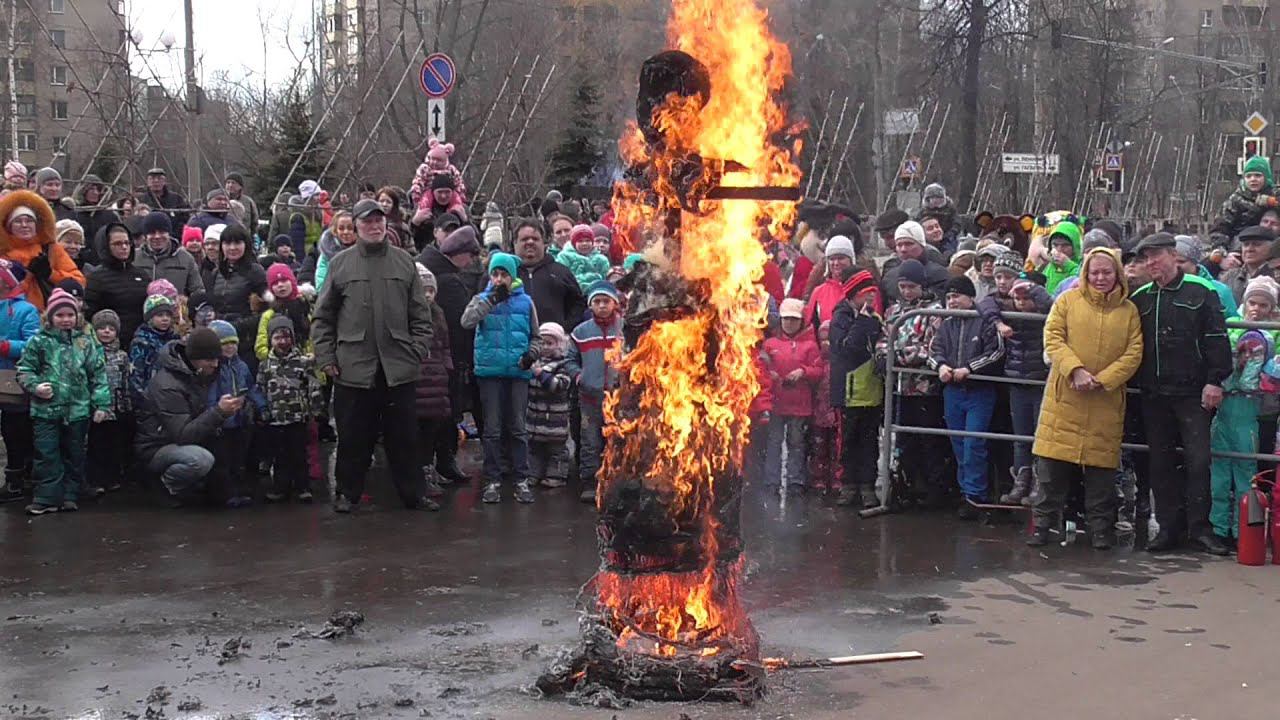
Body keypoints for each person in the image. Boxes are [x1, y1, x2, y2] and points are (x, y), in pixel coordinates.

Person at [311, 198, 434, 513]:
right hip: (353, 366)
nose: (374, 226)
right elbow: (323, 317)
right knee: (353, 437)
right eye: (367, 221)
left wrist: (417, 350)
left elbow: (421, 315)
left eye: (379, 221)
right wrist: (326, 358)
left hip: (398, 367)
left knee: (404, 437)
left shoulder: (405, 262)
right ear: (356, 226)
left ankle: (413, 494)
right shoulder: (340, 264)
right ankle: (346, 494)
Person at [1029, 248, 1143, 548]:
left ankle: (1101, 531)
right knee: (1051, 471)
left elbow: (1134, 353)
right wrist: (1075, 370)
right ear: (1085, 274)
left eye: (1107, 272)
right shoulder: (1067, 301)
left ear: (1117, 274)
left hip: (1104, 400)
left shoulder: (1128, 311)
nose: (1101, 278)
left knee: (1101, 476)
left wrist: (1103, 380)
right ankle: (1041, 526)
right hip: (1065, 396)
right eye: (1095, 272)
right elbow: (1053, 337)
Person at [1130, 232, 1233, 555]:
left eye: (1156, 257)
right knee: (1160, 463)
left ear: (1174, 256)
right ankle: (1168, 528)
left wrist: (1215, 380)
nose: (1151, 264)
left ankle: (1200, 528)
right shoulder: (1142, 297)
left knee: (1198, 460)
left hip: (1193, 391)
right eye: (1145, 259)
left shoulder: (1202, 291)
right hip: (1154, 392)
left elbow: (1217, 337)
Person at [16, 288, 110, 515]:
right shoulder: (39, 342)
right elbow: (24, 369)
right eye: (60, 315)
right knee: (47, 454)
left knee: (74, 453)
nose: (66, 320)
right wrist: (35, 386)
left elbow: (98, 374)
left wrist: (102, 404)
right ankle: (47, 497)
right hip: (46, 411)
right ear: (50, 317)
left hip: (78, 410)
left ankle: (69, 495)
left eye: (70, 315)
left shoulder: (86, 342)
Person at [462, 251, 540, 504]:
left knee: (517, 428)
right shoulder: (482, 298)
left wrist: (531, 355)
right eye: (494, 274)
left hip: (517, 372)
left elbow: (536, 337)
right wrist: (490, 300)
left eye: (503, 274)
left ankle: (520, 478)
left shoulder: (526, 302)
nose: (498, 279)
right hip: (490, 372)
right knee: (492, 429)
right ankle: (492, 479)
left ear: (512, 276)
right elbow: (467, 321)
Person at [1209, 276, 1280, 543]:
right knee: (1219, 474)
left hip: (1251, 413)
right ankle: (1218, 529)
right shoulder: (1231, 330)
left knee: (1246, 476)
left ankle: (1245, 533)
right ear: (1244, 302)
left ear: (1271, 308)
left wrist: (1265, 367)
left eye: (1264, 304)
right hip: (1225, 410)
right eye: (1252, 302)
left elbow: (1272, 374)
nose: (1257, 309)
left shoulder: (1272, 334)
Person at [976, 252, 1051, 504]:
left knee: (1041, 435)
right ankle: (1021, 480)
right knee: (1020, 436)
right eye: (998, 276)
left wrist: (1031, 287)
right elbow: (985, 305)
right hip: (1016, 378)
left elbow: (1051, 305)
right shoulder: (1001, 304)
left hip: (1039, 379)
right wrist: (998, 323)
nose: (1002, 282)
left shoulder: (1039, 306)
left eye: (1007, 276)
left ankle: (1040, 483)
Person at [134, 327, 240, 504]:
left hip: (174, 439)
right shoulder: (168, 385)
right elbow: (184, 434)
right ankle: (165, 486)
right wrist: (219, 412)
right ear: (194, 358)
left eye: (216, 358)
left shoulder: (195, 374)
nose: (215, 364)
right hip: (156, 446)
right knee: (200, 460)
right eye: (209, 359)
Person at [929, 275, 1004, 517]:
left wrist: (970, 368)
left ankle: (975, 495)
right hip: (952, 391)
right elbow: (933, 349)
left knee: (974, 443)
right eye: (949, 297)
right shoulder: (946, 324)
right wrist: (940, 366)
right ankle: (965, 492)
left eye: (957, 296)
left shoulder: (984, 321)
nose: (952, 301)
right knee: (959, 444)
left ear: (970, 297)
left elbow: (996, 351)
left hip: (979, 390)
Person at [876, 259, 949, 507]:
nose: (906, 292)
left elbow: (931, 346)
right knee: (903, 440)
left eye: (911, 287)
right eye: (903, 287)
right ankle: (905, 487)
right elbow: (884, 339)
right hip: (900, 387)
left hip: (925, 388)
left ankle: (934, 490)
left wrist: (902, 355)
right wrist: (887, 355)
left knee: (929, 441)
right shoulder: (893, 311)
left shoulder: (934, 311)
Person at [417, 224, 481, 482]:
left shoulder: (430, 267)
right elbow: (460, 325)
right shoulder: (448, 281)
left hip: (435, 359)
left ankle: (439, 463)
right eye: (470, 255)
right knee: (444, 413)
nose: (472, 262)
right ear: (460, 253)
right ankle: (441, 462)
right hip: (445, 360)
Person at [827, 269, 885, 508]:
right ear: (852, 294)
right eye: (864, 293)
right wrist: (861, 322)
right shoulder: (841, 317)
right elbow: (848, 347)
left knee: (869, 441)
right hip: (849, 392)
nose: (870, 298)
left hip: (871, 391)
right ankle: (849, 485)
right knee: (848, 442)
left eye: (872, 292)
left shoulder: (874, 317)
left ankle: (868, 486)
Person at [567, 280, 622, 503]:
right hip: (590, 397)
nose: (601, 306)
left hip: (619, 397)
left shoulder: (624, 328)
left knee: (617, 440)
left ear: (615, 304)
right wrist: (579, 377)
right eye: (597, 302)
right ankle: (590, 482)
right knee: (590, 441)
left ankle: (615, 482)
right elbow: (569, 359)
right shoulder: (581, 332)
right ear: (590, 305)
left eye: (606, 301)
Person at [256, 315, 321, 503]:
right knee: (280, 456)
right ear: (270, 340)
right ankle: (280, 488)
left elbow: (313, 385)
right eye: (277, 337)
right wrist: (262, 411)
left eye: (286, 337)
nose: (282, 341)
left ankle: (303, 487)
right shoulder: (265, 365)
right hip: (275, 418)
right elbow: (259, 388)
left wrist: (316, 409)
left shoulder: (302, 361)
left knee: (299, 454)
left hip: (298, 418)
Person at [763, 298, 821, 495]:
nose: (790, 323)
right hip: (777, 404)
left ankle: (795, 481)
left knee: (796, 444)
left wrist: (803, 372)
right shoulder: (770, 344)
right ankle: (772, 481)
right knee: (774, 443)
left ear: (801, 322)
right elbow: (762, 367)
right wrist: (770, 373)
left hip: (799, 405)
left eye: (794, 320)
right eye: (786, 319)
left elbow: (818, 370)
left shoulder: (810, 346)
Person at [0, 190, 86, 310]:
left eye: (29, 220)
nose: (24, 225)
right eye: (18, 221)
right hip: (12, 316)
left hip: (50, 317)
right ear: (8, 227)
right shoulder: (3, 255)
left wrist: (50, 274)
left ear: (37, 225)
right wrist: (27, 276)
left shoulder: (50, 249)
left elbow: (79, 281)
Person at [411, 264, 454, 497]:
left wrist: (446, 367)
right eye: (423, 290)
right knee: (418, 430)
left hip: (437, 380)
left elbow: (445, 345)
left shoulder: (438, 314)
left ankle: (430, 467)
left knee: (433, 427)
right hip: (418, 380)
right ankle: (421, 471)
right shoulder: (409, 315)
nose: (427, 295)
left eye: (431, 290)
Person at [0, 259, 39, 503]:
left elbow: (34, 345)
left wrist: (6, 346)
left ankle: (18, 478)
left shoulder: (27, 310)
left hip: (14, 380)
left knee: (16, 430)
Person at [87, 309, 134, 495]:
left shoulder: (122, 355)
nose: (106, 331)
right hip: (95, 407)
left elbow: (125, 382)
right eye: (102, 328)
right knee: (95, 444)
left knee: (113, 444)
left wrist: (127, 406)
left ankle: (112, 477)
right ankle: (95, 479)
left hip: (116, 407)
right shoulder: (89, 352)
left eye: (111, 328)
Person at [205, 224, 267, 360]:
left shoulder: (256, 272)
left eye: (237, 243)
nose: (232, 248)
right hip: (220, 340)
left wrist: (238, 325)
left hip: (246, 342)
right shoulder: (217, 273)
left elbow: (267, 312)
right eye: (227, 243)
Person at [513, 220, 587, 330]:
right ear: (515, 243)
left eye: (535, 239)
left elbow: (578, 305)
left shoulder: (561, 272)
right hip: (514, 342)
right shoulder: (505, 274)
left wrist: (564, 329)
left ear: (544, 243)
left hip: (552, 343)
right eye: (524, 239)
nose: (530, 242)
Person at [526, 322, 574, 489]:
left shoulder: (562, 364)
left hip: (555, 418)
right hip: (534, 418)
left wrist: (541, 375)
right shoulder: (534, 362)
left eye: (550, 343)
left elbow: (559, 385)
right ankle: (532, 474)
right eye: (542, 342)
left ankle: (556, 476)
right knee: (534, 451)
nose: (545, 347)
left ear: (559, 344)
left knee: (556, 451)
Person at [133, 211, 203, 296]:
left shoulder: (185, 258)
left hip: (175, 308)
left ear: (169, 233)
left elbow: (198, 291)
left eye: (162, 232)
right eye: (152, 233)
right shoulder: (134, 258)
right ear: (145, 235)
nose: (157, 236)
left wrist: (186, 302)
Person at [1210, 155, 1276, 244]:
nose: (1253, 179)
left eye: (1258, 175)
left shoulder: (1275, 195)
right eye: (1248, 176)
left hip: (1272, 245)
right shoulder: (1235, 200)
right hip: (1242, 244)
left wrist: (1274, 203)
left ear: (1266, 177)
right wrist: (1219, 249)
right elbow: (1220, 227)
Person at [807, 321, 840, 495]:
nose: (826, 343)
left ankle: (836, 478)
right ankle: (818, 478)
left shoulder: (840, 360)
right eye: (823, 339)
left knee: (836, 447)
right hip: (819, 411)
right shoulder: (817, 359)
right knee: (818, 447)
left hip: (835, 412)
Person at [879, 221, 950, 302]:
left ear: (921, 245)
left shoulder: (939, 274)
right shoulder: (889, 277)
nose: (903, 249)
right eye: (899, 245)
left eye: (909, 244)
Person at [128, 294, 180, 405]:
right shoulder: (141, 342)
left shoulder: (175, 340)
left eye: (168, 315)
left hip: (172, 396)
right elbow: (136, 375)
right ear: (150, 318)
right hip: (150, 400)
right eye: (160, 315)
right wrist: (144, 399)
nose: (165, 319)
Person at [254, 263, 310, 361]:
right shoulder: (269, 314)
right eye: (275, 283)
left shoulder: (307, 306)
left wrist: (314, 354)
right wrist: (274, 357)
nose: (280, 285)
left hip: (308, 361)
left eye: (284, 280)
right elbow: (260, 346)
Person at [1173, 235, 1237, 318]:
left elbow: (1233, 323)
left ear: (1195, 262)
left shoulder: (1219, 291)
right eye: (1172, 261)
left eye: (1181, 261)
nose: (1175, 266)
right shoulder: (1160, 287)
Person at [802, 235, 857, 329]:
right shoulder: (818, 292)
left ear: (851, 260)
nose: (836, 263)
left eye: (841, 258)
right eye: (832, 259)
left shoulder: (864, 288)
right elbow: (809, 327)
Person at [1220, 225, 1277, 304]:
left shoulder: (1276, 277)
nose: (1249, 249)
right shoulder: (1230, 276)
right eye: (1246, 245)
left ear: (1270, 248)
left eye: (1257, 244)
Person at [71, 174, 120, 263]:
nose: (96, 192)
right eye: (92, 189)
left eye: (98, 189)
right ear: (83, 190)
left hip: (105, 262)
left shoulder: (110, 215)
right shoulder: (75, 214)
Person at [557, 224, 611, 290]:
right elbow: (563, 279)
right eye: (580, 241)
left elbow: (605, 279)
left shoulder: (601, 260)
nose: (584, 243)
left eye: (588, 240)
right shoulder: (564, 257)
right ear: (574, 243)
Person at [314, 210, 357, 291]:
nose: (346, 232)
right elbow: (321, 285)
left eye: (350, 228)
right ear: (335, 231)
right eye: (341, 228)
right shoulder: (326, 256)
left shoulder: (363, 252)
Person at [1042, 222, 1081, 295]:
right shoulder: (1046, 266)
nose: (1059, 250)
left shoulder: (1082, 265)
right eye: (1055, 245)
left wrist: (1068, 264)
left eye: (1065, 245)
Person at [224, 173, 260, 240]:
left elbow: (254, 223)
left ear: (240, 186)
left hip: (244, 237)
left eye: (233, 183)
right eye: (228, 182)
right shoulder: (221, 201)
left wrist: (252, 237)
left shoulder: (248, 202)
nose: (230, 185)